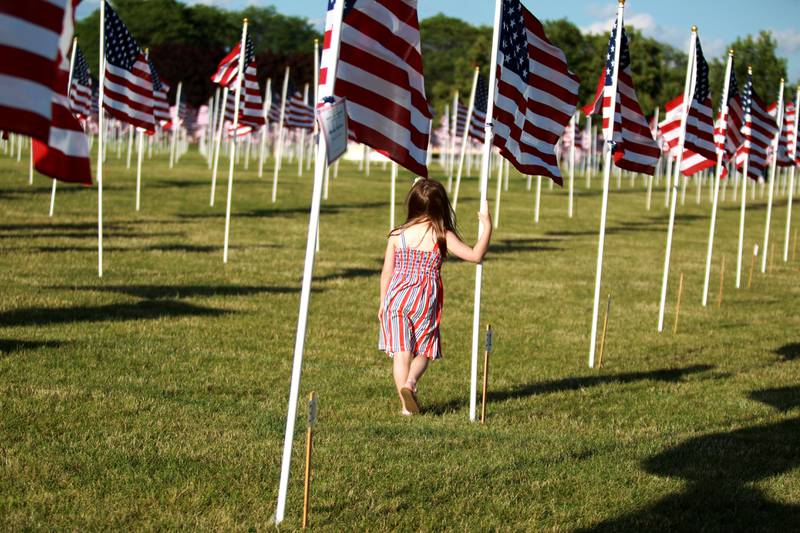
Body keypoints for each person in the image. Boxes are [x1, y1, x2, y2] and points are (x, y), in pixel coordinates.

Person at [378, 178, 492, 415]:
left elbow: (386, 272)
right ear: (441, 206)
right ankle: (410, 384)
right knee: (425, 351)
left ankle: (405, 406)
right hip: (423, 300)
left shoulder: (397, 234)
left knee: (401, 355)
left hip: (396, 298)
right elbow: (474, 255)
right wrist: (487, 227)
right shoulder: (441, 235)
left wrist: (382, 302)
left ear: (413, 204)